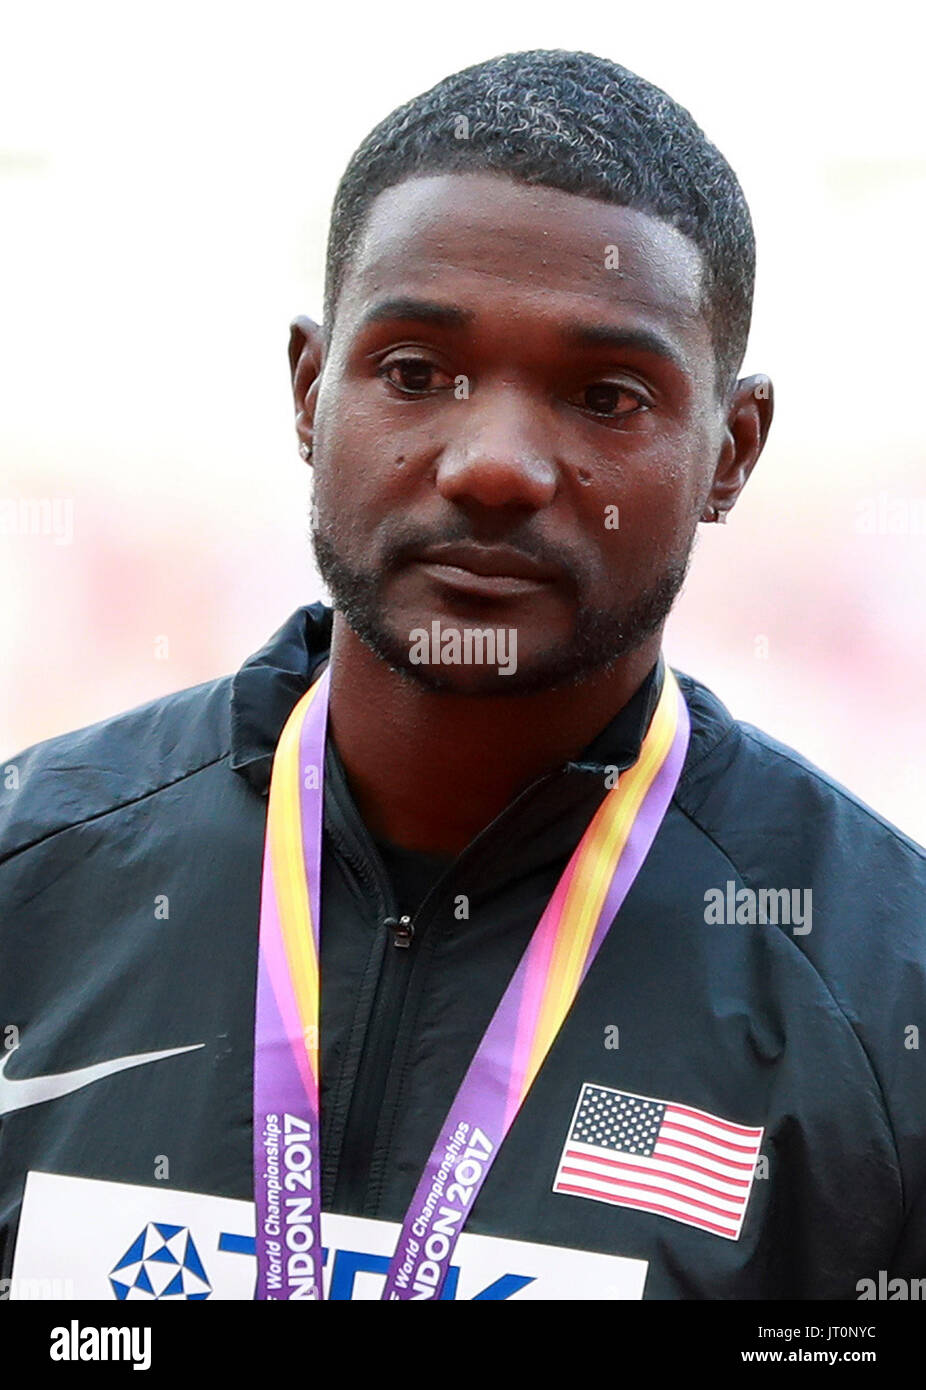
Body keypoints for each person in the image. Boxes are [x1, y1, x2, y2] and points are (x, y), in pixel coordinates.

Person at [1, 49, 923, 1303]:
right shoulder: (30, 888)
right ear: (309, 391)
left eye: (605, 394)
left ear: (731, 450)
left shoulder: (881, 988)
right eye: (416, 372)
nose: (494, 465)